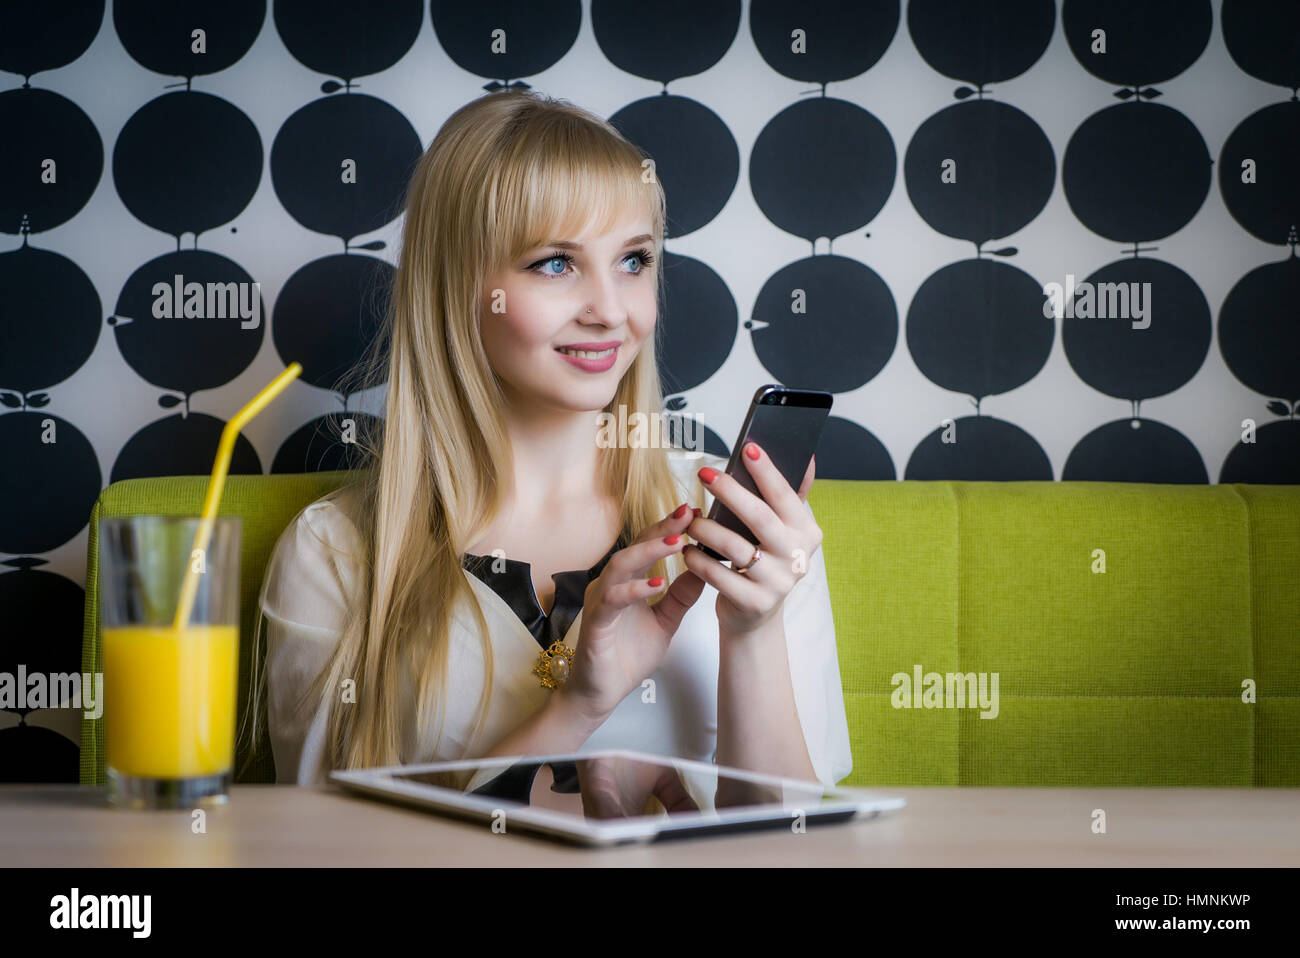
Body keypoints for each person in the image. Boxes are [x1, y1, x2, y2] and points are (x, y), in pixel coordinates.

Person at [240, 89, 851, 806]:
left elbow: (787, 855)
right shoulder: (336, 555)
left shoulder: (743, 526)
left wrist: (753, 629)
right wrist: (576, 708)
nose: (610, 311)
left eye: (633, 261)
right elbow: (324, 855)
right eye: (556, 264)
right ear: (458, 287)